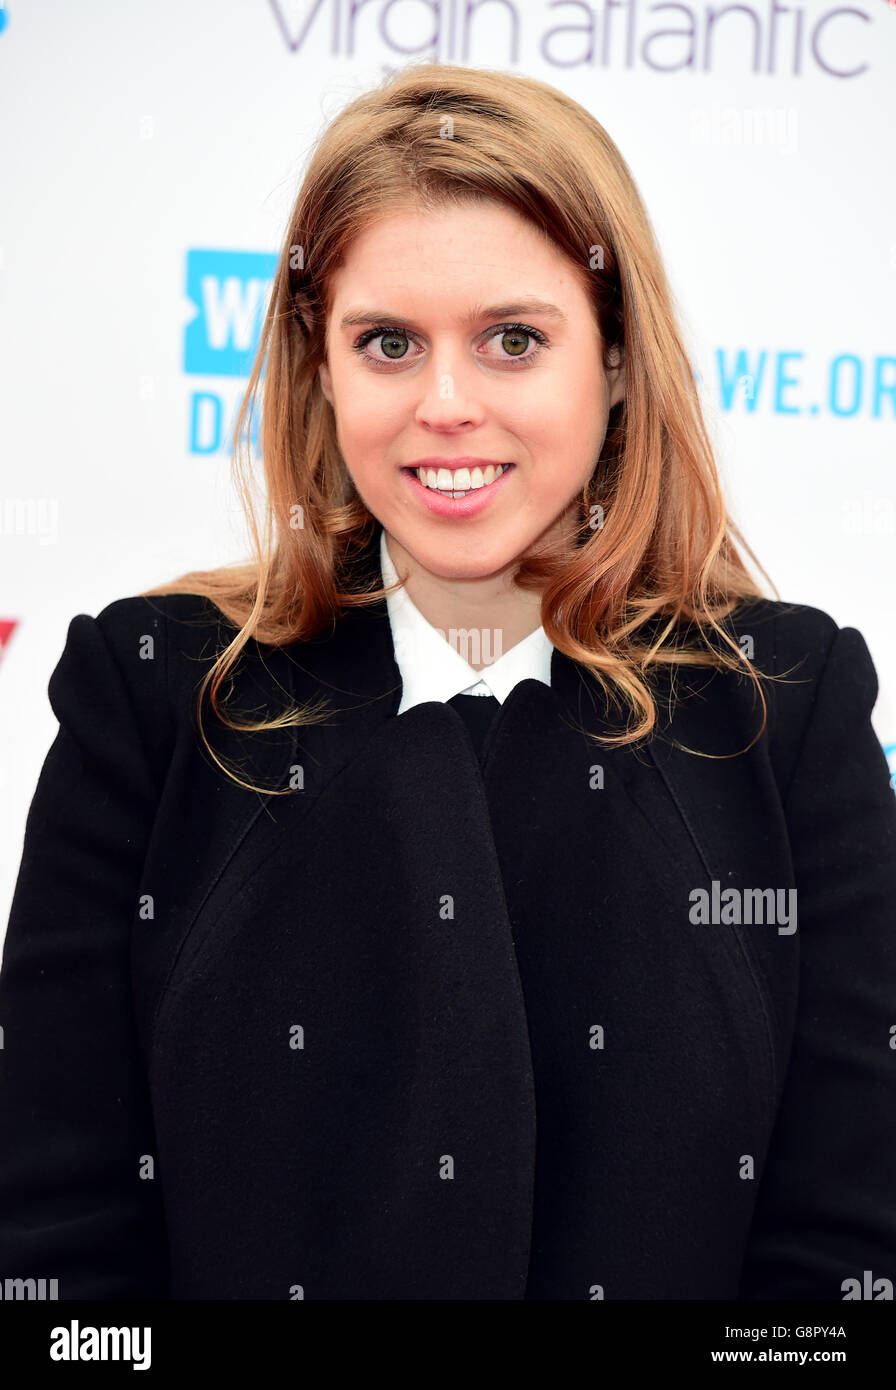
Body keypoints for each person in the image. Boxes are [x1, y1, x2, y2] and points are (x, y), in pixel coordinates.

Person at [1, 61, 894, 1302]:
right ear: (320, 366)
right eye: (387, 343)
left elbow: (841, 1264)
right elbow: (60, 1265)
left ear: (619, 363)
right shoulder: (149, 698)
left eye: (513, 339)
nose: (445, 406)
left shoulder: (783, 707)